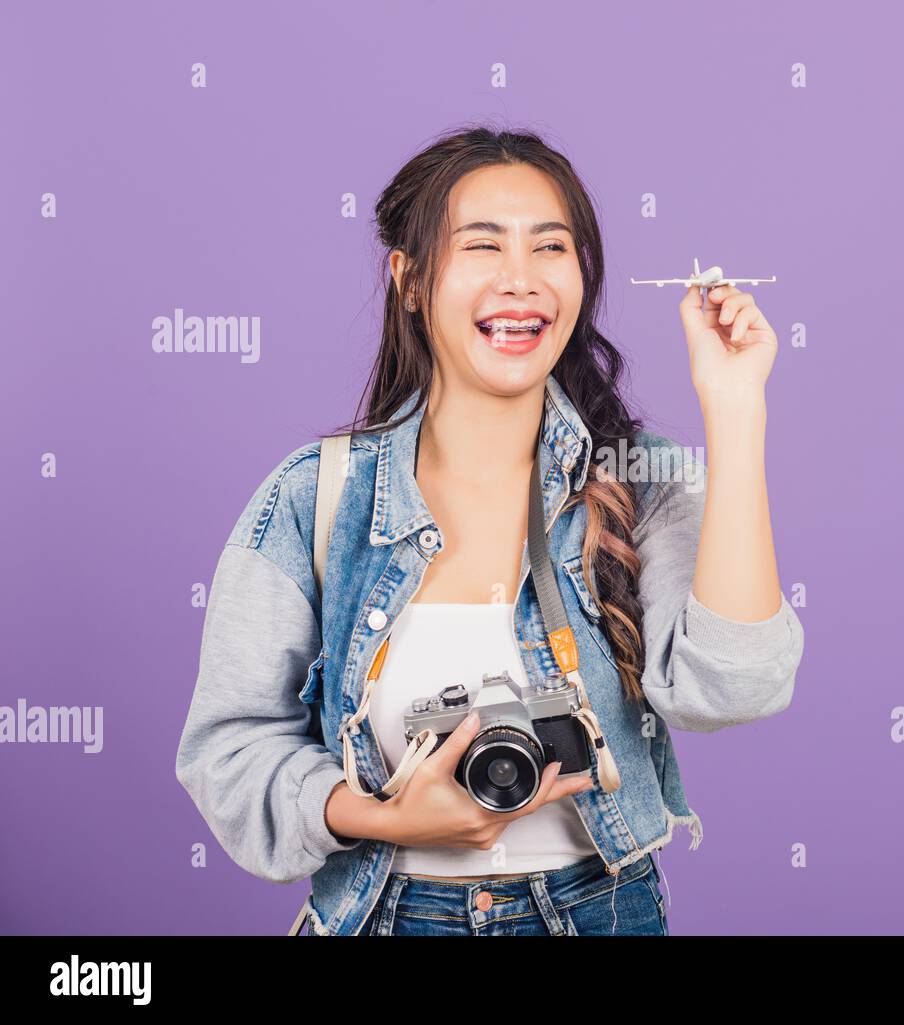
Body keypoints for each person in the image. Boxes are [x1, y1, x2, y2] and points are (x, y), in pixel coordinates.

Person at [174, 124, 805, 936]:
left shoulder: (638, 480)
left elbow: (736, 688)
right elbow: (229, 749)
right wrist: (383, 817)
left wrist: (736, 406)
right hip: (380, 914)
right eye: (481, 245)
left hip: (603, 911)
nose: (521, 280)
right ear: (407, 278)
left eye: (551, 247)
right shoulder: (315, 496)